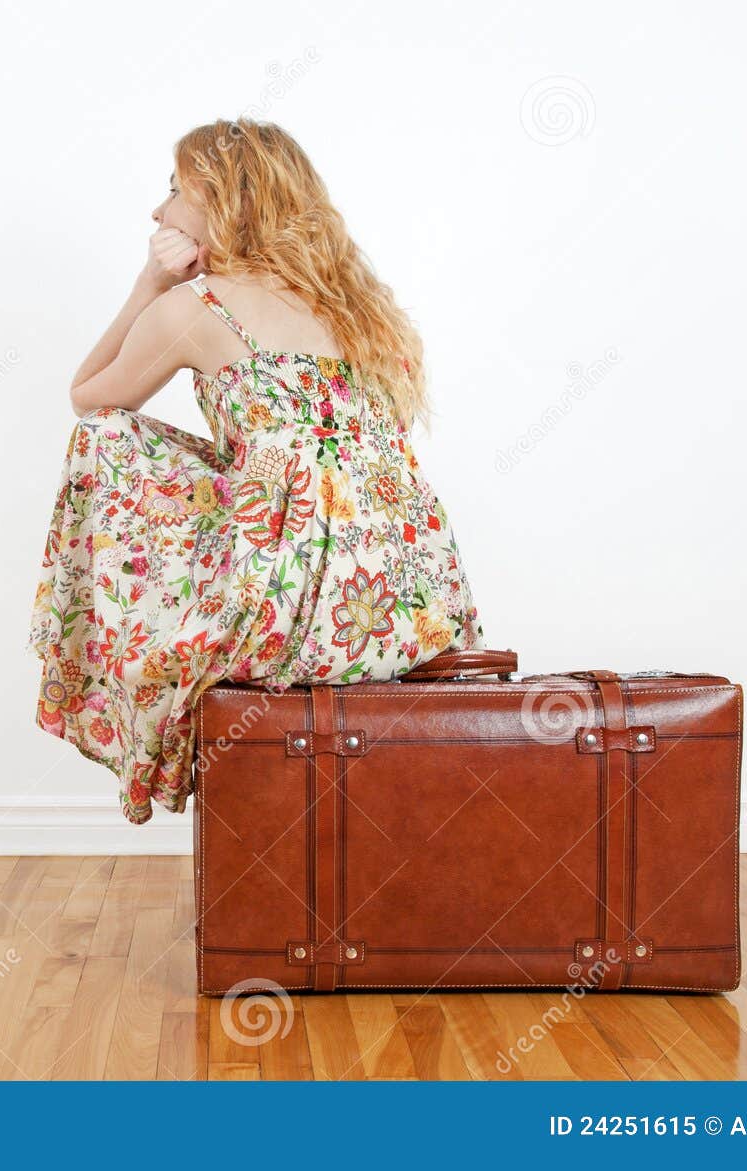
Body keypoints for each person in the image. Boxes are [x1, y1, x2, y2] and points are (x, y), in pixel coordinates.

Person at [27, 118, 484, 825]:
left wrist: (148, 282)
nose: (158, 211)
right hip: (415, 601)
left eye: (174, 190)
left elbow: (87, 397)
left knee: (103, 439)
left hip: (289, 606)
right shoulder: (360, 312)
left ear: (220, 204)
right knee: (279, 467)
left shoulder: (195, 309)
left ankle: (148, 665)